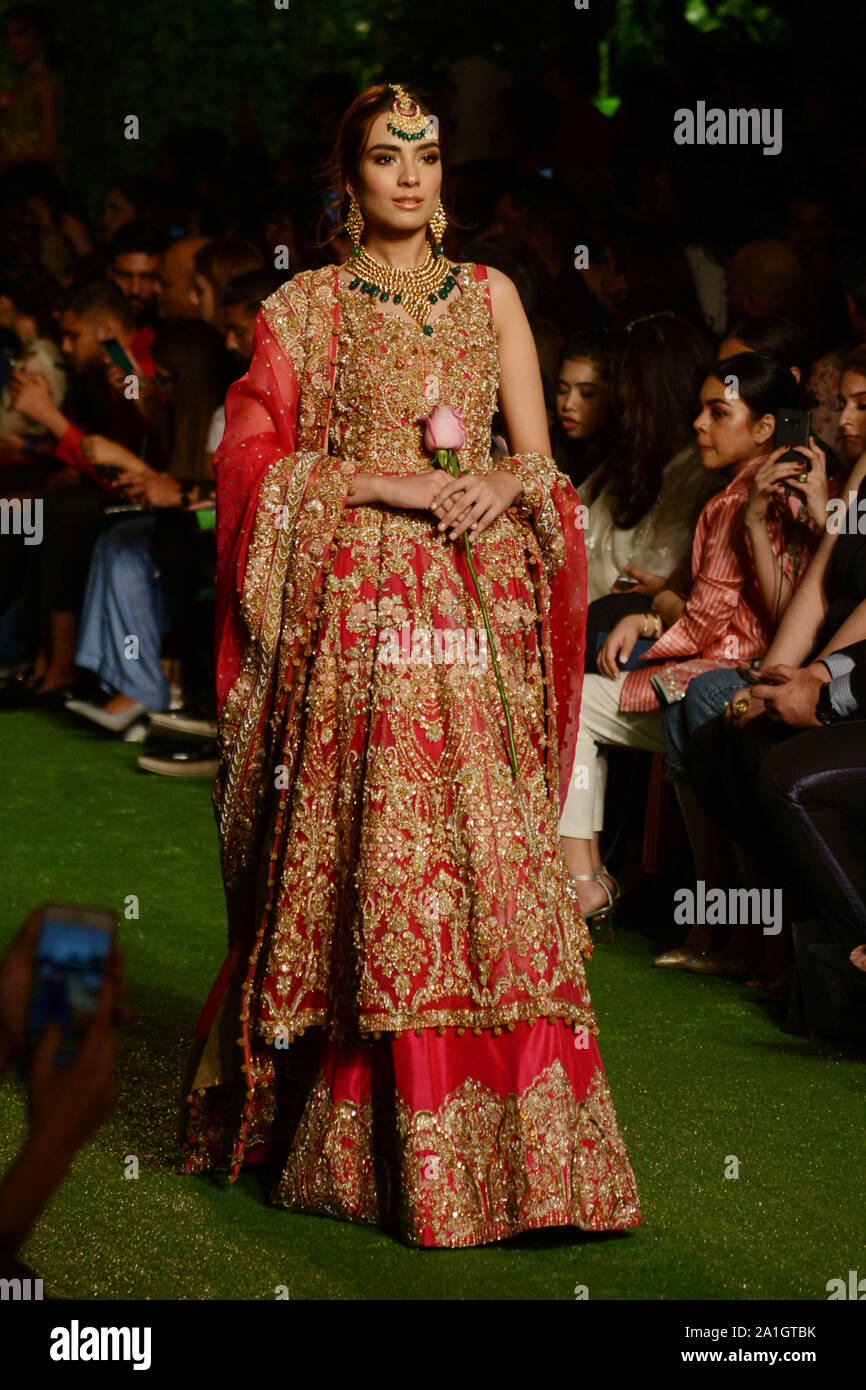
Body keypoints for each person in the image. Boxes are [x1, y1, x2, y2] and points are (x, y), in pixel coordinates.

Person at [183, 82, 640, 1248]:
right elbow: (247, 464)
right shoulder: (305, 306)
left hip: (472, 606)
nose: (409, 176)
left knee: (491, 863)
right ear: (350, 179)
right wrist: (371, 480)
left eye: (426, 157)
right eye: (386, 157)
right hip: (356, 619)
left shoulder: (492, 296)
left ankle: (529, 1168)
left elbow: (543, 470)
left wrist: (500, 482)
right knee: (378, 858)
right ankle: (369, 1146)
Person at [558, 354, 823, 923]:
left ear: (764, 428)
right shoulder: (774, 489)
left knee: (575, 699)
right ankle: (605, 882)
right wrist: (652, 617)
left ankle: (585, 878)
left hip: (726, 674)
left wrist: (653, 630)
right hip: (731, 668)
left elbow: (710, 624)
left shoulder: (743, 500)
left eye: (718, 412)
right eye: (700, 410)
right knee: (603, 677)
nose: (699, 424)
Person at [552, 331, 617, 490]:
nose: (568, 404)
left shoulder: (619, 468)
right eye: (562, 390)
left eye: (586, 394)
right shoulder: (549, 450)